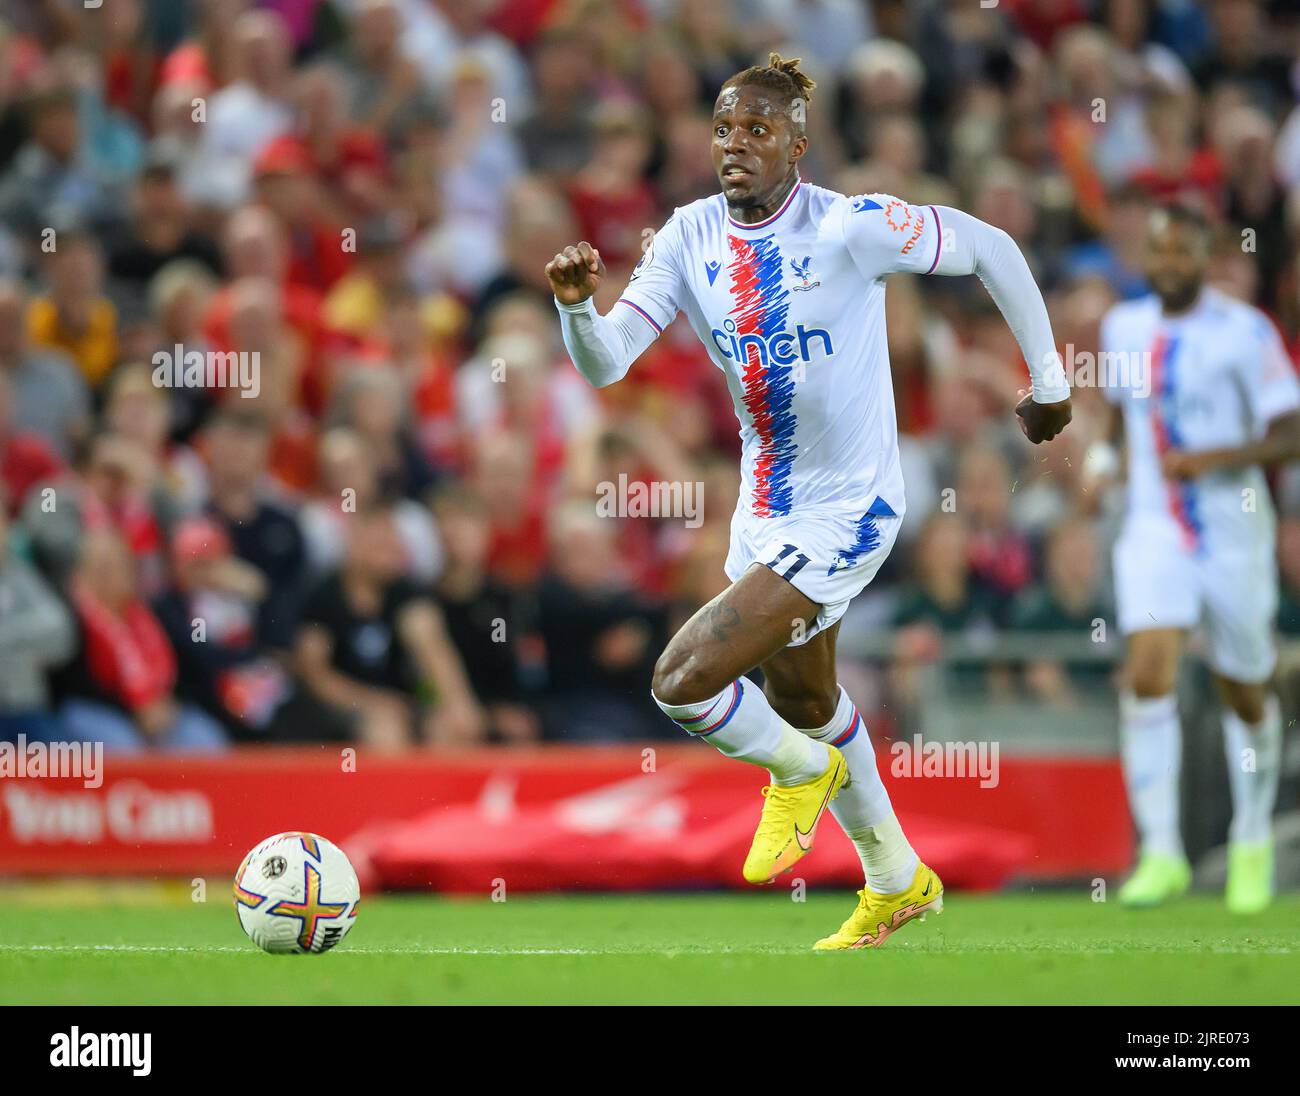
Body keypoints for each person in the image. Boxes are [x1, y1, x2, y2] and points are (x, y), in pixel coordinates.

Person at [547, 54, 1071, 950]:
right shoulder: (688, 236)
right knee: (806, 698)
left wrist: (1050, 378)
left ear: (798, 140)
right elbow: (609, 362)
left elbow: (992, 245)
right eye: (722, 129)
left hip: (852, 505)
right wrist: (575, 309)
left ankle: (798, 775)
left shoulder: (853, 227)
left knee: (682, 682)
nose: (735, 146)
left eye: (756, 129)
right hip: (765, 511)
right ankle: (896, 877)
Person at [1092, 204, 1300, 914]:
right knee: (1148, 673)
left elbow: (1290, 431)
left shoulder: (1245, 332)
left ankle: (1250, 840)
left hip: (1234, 531)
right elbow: (1121, 414)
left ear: (1207, 256)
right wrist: (1100, 462)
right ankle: (1161, 852)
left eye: (1183, 252)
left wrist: (1218, 458)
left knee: (1243, 688)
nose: (1170, 263)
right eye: (1159, 251)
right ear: (1145, 257)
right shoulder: (1124, 327)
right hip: (1155, 529)